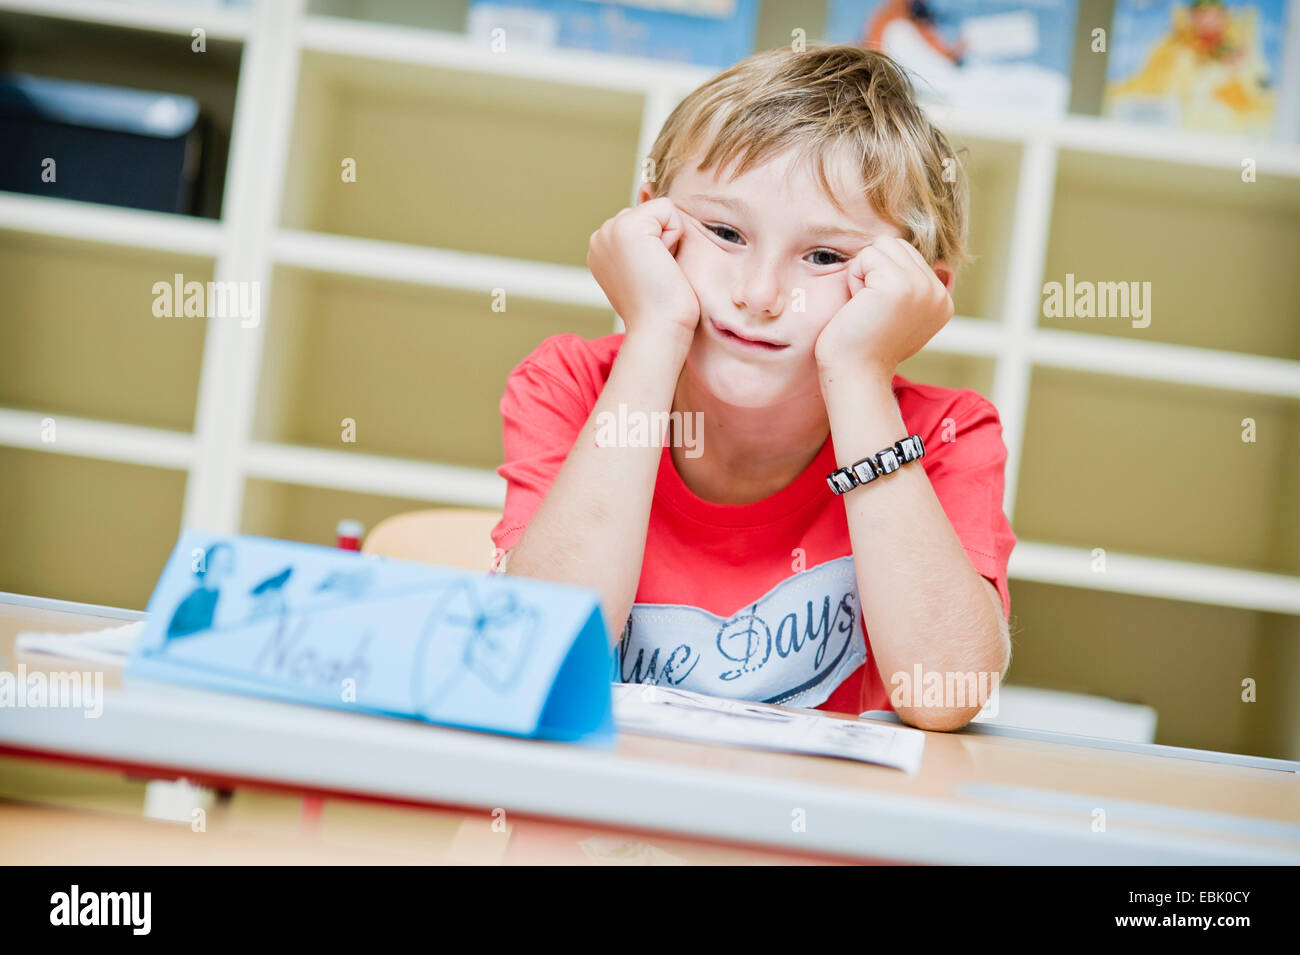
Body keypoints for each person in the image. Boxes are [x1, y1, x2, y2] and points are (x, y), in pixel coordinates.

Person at [491, 45, 1015, 730]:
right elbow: (543, 653)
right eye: (725, 232)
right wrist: (654, 330)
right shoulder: (567, 384)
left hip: (803, 835)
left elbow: (945, 691)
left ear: (916, 292)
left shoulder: (947, 434)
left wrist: (858, 374)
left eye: (825, 256)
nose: (761, 294)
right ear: (652, 231)